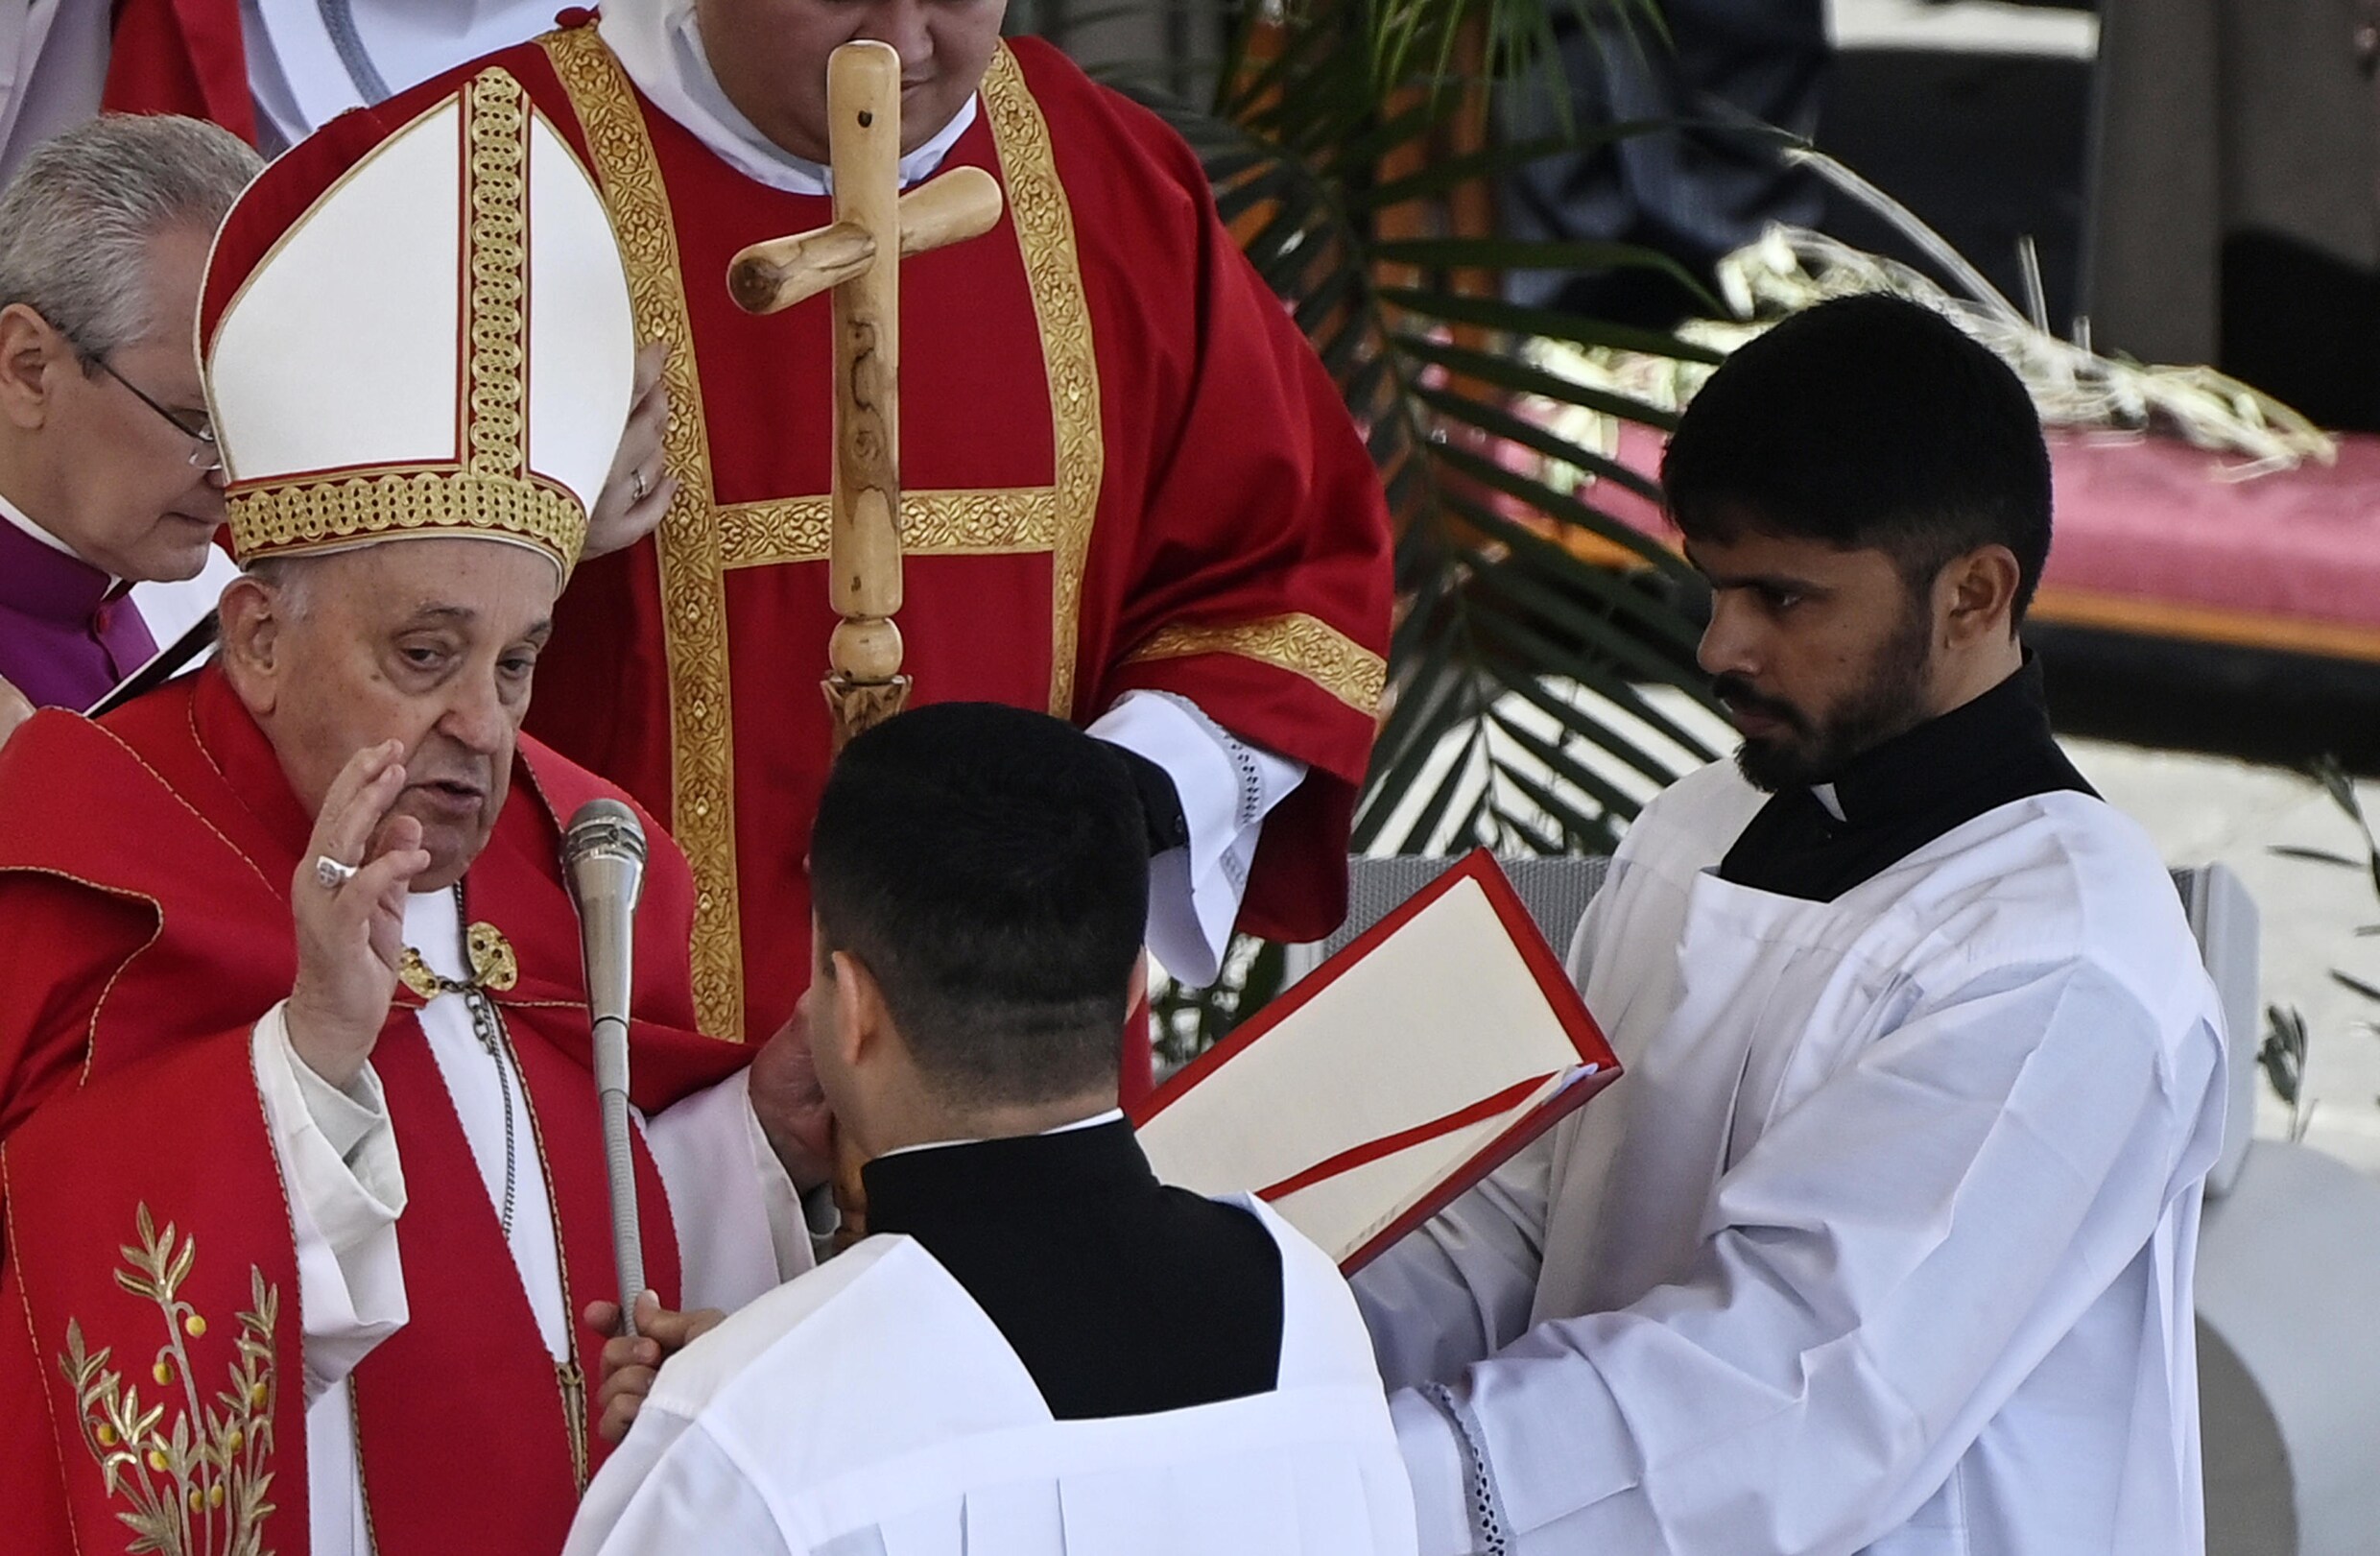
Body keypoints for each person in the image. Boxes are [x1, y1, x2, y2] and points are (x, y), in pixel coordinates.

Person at [188, 0, 1397, 1083]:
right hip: (583, 1070)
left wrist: (1120, 794)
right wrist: (529, 524)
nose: (905, 43)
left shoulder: (1104, 187)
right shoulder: (468, 185)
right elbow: (287, 633)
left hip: (1003, 1073)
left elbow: (1287, 576)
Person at [0, 67, 817, 1556]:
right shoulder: (87, 831)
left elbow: (597, 1173)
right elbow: (42, 1255)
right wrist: (305, 1053)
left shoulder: (584, 850)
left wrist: (761, 1129)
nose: (482, 729)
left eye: (517, 662)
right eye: (422, 656)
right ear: (253, 636)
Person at [1352, 295, 2228, 1555]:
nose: (1722, 646)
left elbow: (1790, 1401)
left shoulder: (2063, 963)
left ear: (1974, 593)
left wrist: (1367, 1481)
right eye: (1715, 587)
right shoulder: (1698, 826)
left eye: (1784, 598)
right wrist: (1274, 1335)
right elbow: (1524, 1216)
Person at [562, 702, 1416, 1556]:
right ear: (1131, 987)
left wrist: (752, 1388)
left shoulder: (736, 1439)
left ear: (852, 1005)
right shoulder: (1314, 1315)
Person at [0, 114, 258, 736]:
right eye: (197, 423)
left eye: (252, 425)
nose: (235, 482)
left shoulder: (227, 606)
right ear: (29, 368)